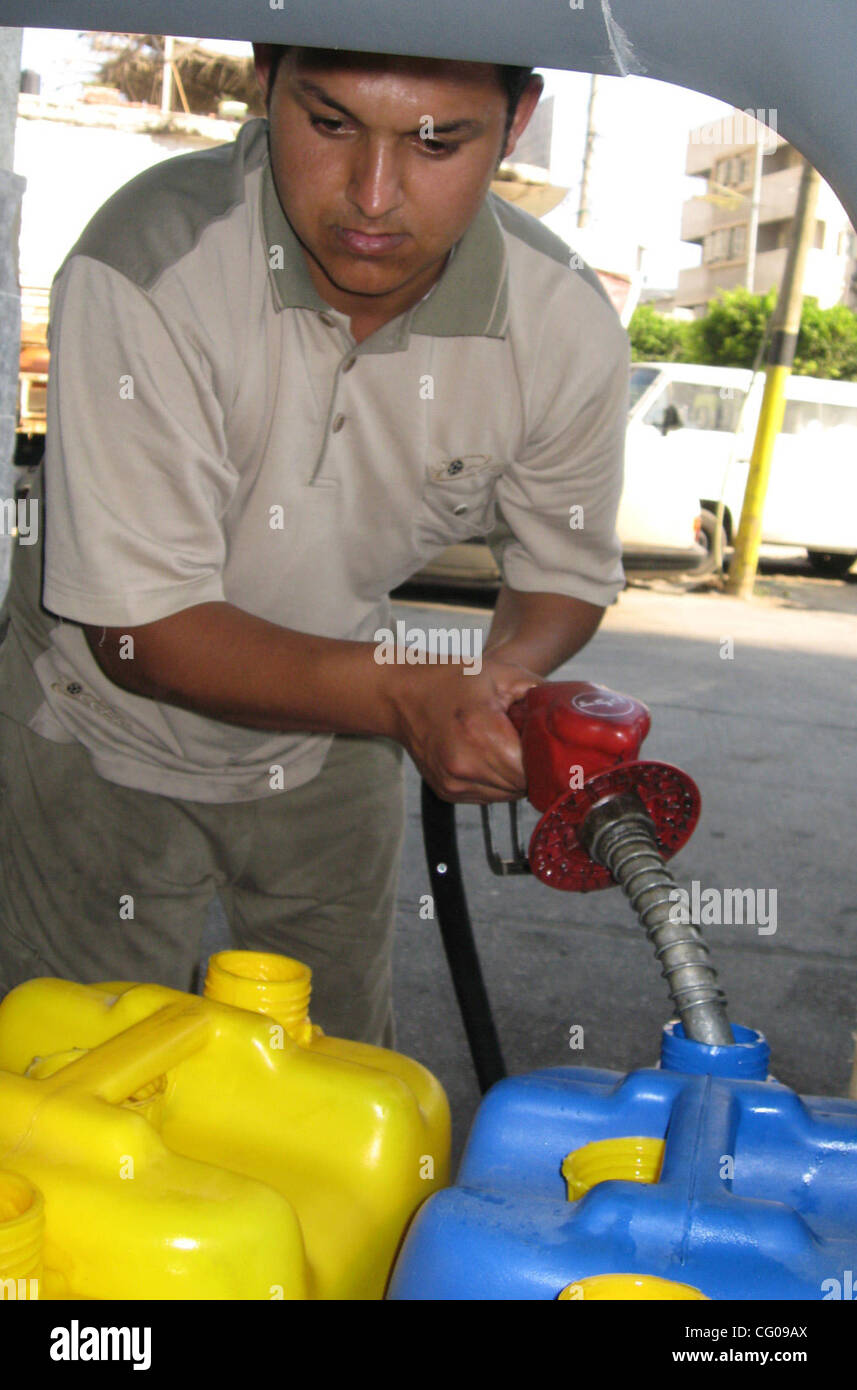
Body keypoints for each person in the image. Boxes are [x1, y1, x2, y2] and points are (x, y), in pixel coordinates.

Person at [0, 45, 629, 1044]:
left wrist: (494, 685)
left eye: (436, 142)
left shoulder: (562, 324)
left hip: (336, 738)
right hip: (97, 730)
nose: (372, 195)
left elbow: (565, 573)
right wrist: (411, 696)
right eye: (330, 124)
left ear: (516, 123)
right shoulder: (149, 263)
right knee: (81, 1076)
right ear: (264, 78)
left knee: (336, 1069)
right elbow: (140, 633)